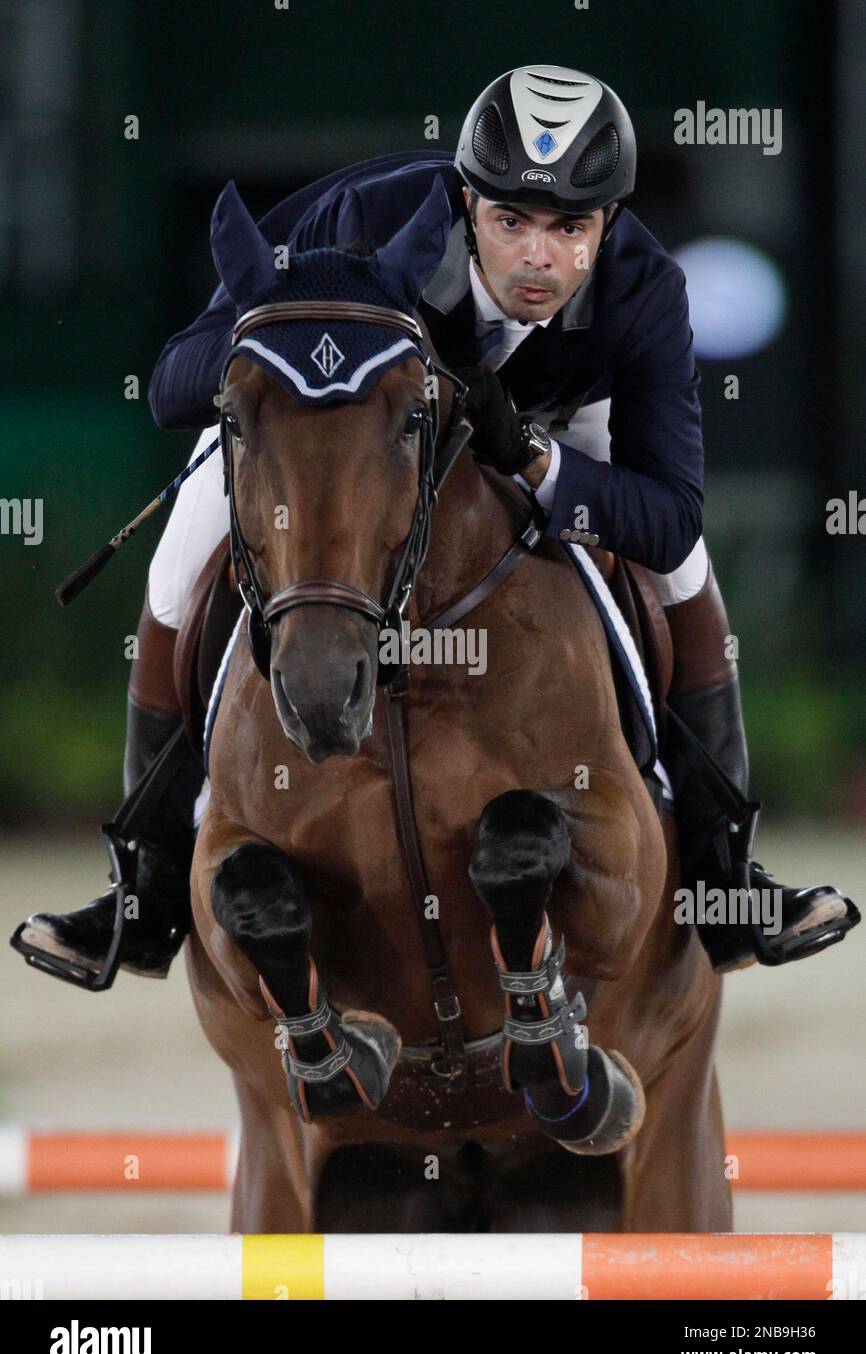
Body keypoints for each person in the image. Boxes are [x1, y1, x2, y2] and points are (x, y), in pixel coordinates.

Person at [16, 64, 856, 982]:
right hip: (341, 430)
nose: (538, 259)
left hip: (553, 421)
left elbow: (669, 518)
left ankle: (726, 874)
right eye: (511, 222)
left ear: (608, 222)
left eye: (570, 228)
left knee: (685, 573)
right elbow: (175, 387)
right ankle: (141, 891)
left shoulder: (642, 287)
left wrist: (535, 462)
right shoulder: (363, 219)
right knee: (178, 567)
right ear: (465, 203)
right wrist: (292, 333)